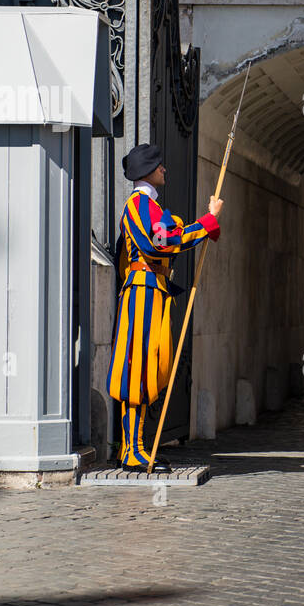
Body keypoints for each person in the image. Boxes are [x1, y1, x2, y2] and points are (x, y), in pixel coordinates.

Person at [108, 144, 223, 471]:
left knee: (149, 366)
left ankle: (136, 446)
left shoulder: (148, 206)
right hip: (143, 293)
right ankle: (131, 449)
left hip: (151, 290)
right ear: (148, 170)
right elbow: (161, 241)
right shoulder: (140, 204)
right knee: (137, 369)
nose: (165, 170)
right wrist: (207, 222)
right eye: (160, 166)